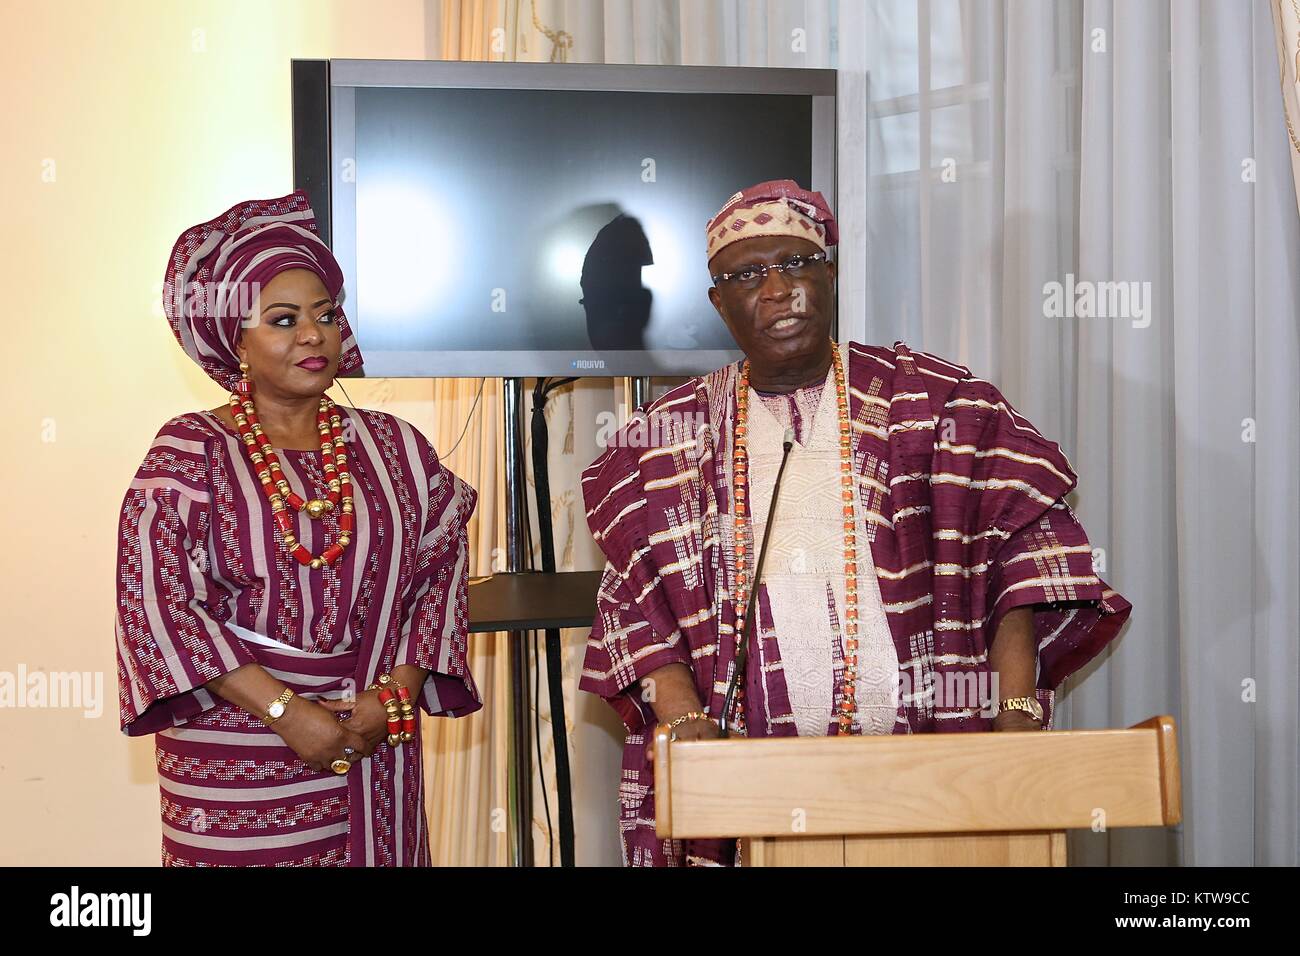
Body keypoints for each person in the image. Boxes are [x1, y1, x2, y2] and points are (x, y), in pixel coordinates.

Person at [579, 179, 1132, 866]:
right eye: (749, 274)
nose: (779, 289)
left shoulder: (936, 403)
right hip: (747, 804)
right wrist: (688, 725)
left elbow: (1020, 556)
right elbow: (633, 611)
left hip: (939, 784)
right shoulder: (665, 441)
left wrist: (1013, 723)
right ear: (720, 303)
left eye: (798, 264)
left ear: (831, 275)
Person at [116, 191, 479, 866]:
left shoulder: (396, 446)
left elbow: (438, 577)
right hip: (233, 764)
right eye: (283, 320)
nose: (313, 334)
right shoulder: (188, 451)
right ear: (238, 343)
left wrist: (392, 698)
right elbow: (159, 608)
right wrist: (288, 712)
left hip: (372, 744)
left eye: (326, 315)